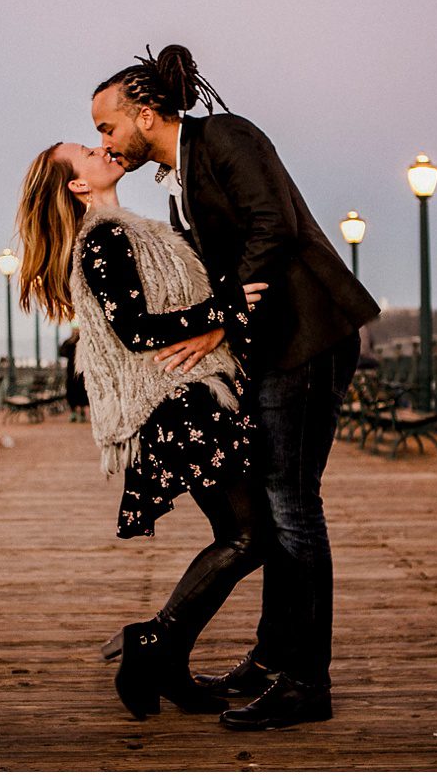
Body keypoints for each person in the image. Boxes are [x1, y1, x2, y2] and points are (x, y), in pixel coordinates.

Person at [92, 44, 381, 730]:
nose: (105, 140)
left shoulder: (225, 135)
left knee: (292, 507)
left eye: (107, 126)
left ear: (144, 111)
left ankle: (307, 681)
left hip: (307, 336)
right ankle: (271, 657)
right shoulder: (178, 177)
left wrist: (223, 322)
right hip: (273, 349)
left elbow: (271, 226)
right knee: (282, 507)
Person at [15, 140, 272, 721]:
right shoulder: (103, 237)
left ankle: (166, 658)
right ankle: (154, 642)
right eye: (86, 151)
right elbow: (135, 330)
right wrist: (225, 310)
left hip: (188, 397)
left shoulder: (126, 229)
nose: (102, 148)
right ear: (77, 185)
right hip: (175, 402)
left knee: (240, 532)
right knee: (247, 535)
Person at [59, 326, 89, 421]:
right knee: (71, 392)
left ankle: (82, 411)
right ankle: (73, 412)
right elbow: (62, 353)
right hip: (71, 372)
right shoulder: (69, 342)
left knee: (81, 392)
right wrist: (71, 341)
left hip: (81, 372)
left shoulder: (83, 342)